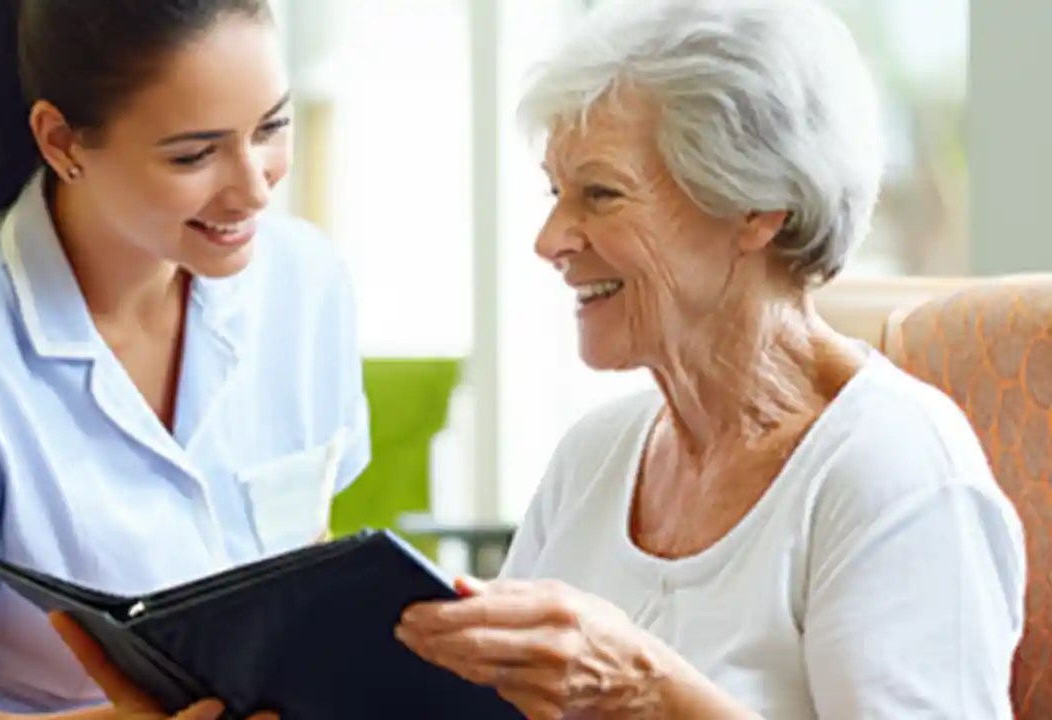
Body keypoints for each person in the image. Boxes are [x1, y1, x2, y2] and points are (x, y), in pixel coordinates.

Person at [395, 0, 1026, 718]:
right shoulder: (594, 457)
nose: (551, 238)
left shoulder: (895, 469)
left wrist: (651, 692)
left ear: (757, 207)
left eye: (600, 193)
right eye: (555, 191)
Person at [0, 0, 368, 717]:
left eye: (271, 127)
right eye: (193, 154)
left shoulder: (306, 283)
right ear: (62, 141)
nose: (255, 187)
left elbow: (301, 579)